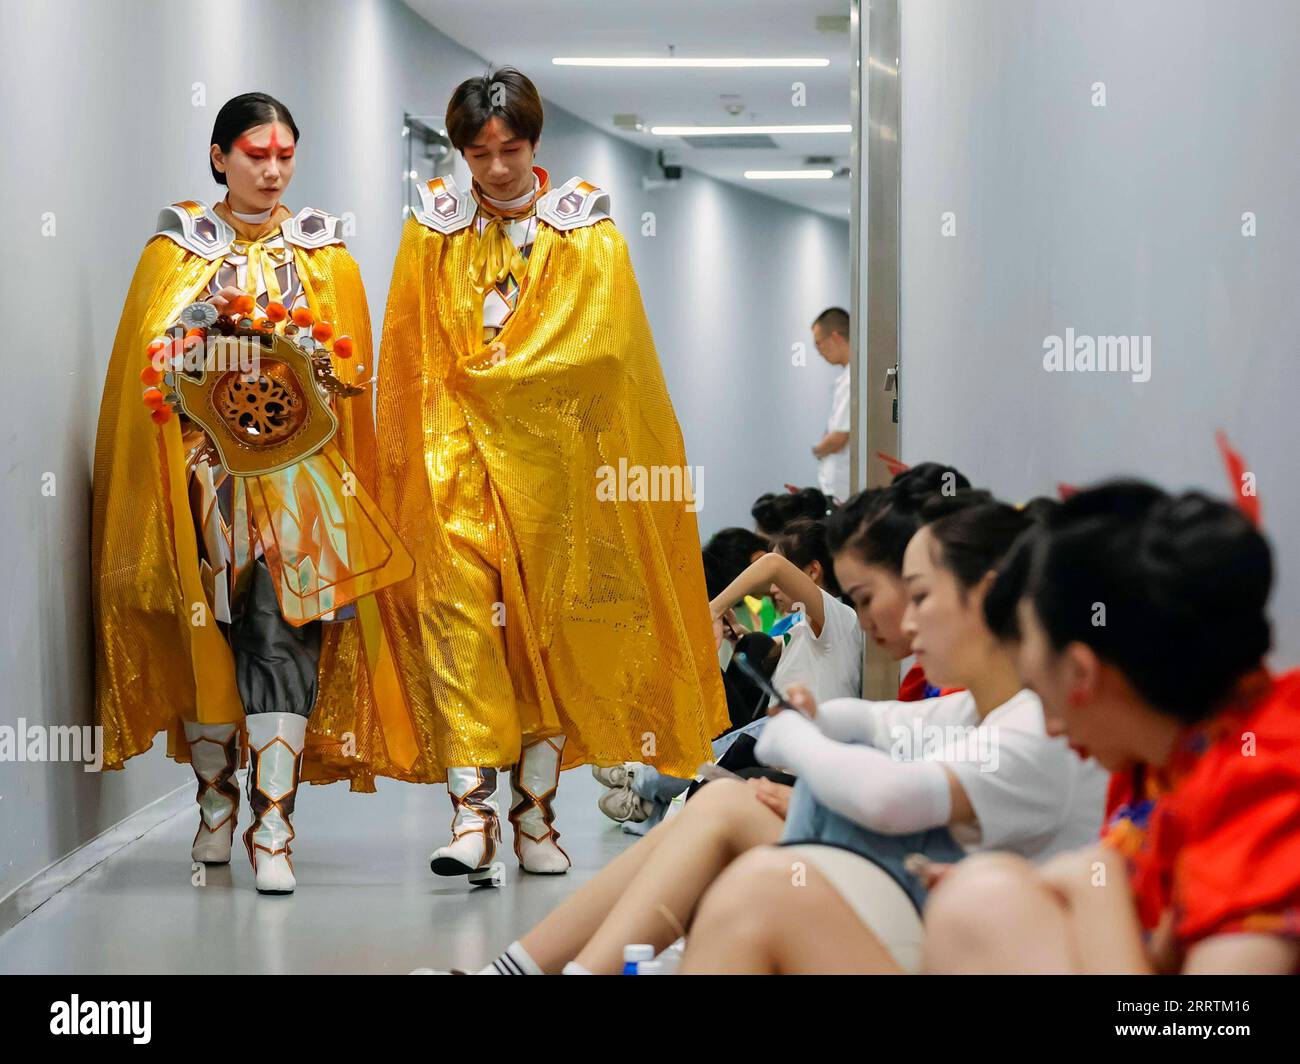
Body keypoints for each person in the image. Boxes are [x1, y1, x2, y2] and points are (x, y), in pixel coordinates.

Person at [375, 67, 726, 882]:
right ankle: (472, 817)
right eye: (478, 151)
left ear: (537, 143)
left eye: (512, 148)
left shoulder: (584, 230)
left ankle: (535, 817)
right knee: (461, 628)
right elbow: (409, 354)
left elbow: (606, 353)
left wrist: (498, 378)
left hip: (560, 479)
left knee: (548, 638)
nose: (495, 167)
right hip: (455, 467)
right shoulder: (433, 231)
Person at [91, 93, 417, 894]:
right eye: (254, 155)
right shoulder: (177, 246)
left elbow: (353, 379)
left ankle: (275, 825)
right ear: (218, 158)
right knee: (208, 643)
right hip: (201, 478)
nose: (271, 171)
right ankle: (214, 804)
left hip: (300, 482)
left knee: (283, 633)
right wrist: (197, 332)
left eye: (284, 157)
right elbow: (148, 370)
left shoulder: (325, 253)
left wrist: (316, 356)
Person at [680, 495, 1108, 973]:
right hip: (951, 924)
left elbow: (887, 795)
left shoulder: (1034, 724)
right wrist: (813, 720)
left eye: (920, 596)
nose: (905, 620)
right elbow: (880, 723)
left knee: (762, 876)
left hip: (959, 935)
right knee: (736, 818)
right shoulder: (978, 706)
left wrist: (795, 739)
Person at [921, 482, 1300, 974]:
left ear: (1081, 672)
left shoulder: (1267, 789)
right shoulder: (1157, 763)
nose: (1052, 728)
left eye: (1038, 692)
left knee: (982, 901)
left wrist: (1092, 883)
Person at [811, 307, 852, 501]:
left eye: (819, 344)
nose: (819, 352)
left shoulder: (854, 379)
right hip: (837, 491)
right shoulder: (846, 377)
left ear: (835, 337)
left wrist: (817, 450)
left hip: (842, 494)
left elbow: (839, 437)